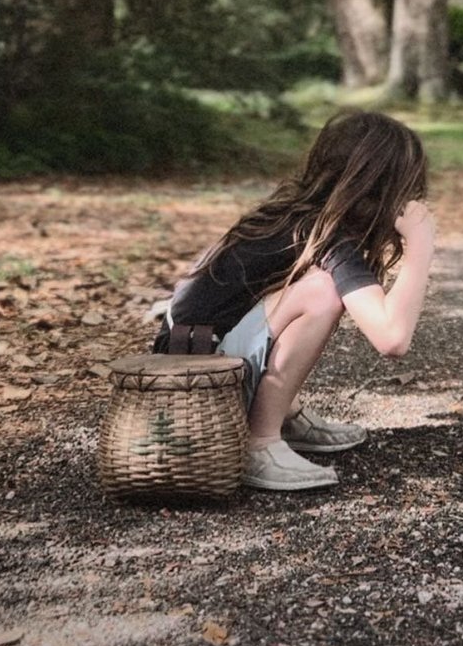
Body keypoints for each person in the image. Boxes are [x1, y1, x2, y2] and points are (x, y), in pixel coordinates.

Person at [153, 109, 435, 492]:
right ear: (381, 188)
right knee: (322, 291)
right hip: (196, 385)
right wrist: (420, 246)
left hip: (191, 364)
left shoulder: (300, 218)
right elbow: (392, 338)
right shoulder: (325, 235)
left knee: (310, 286)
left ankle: (284, 415)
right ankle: (260, 443)